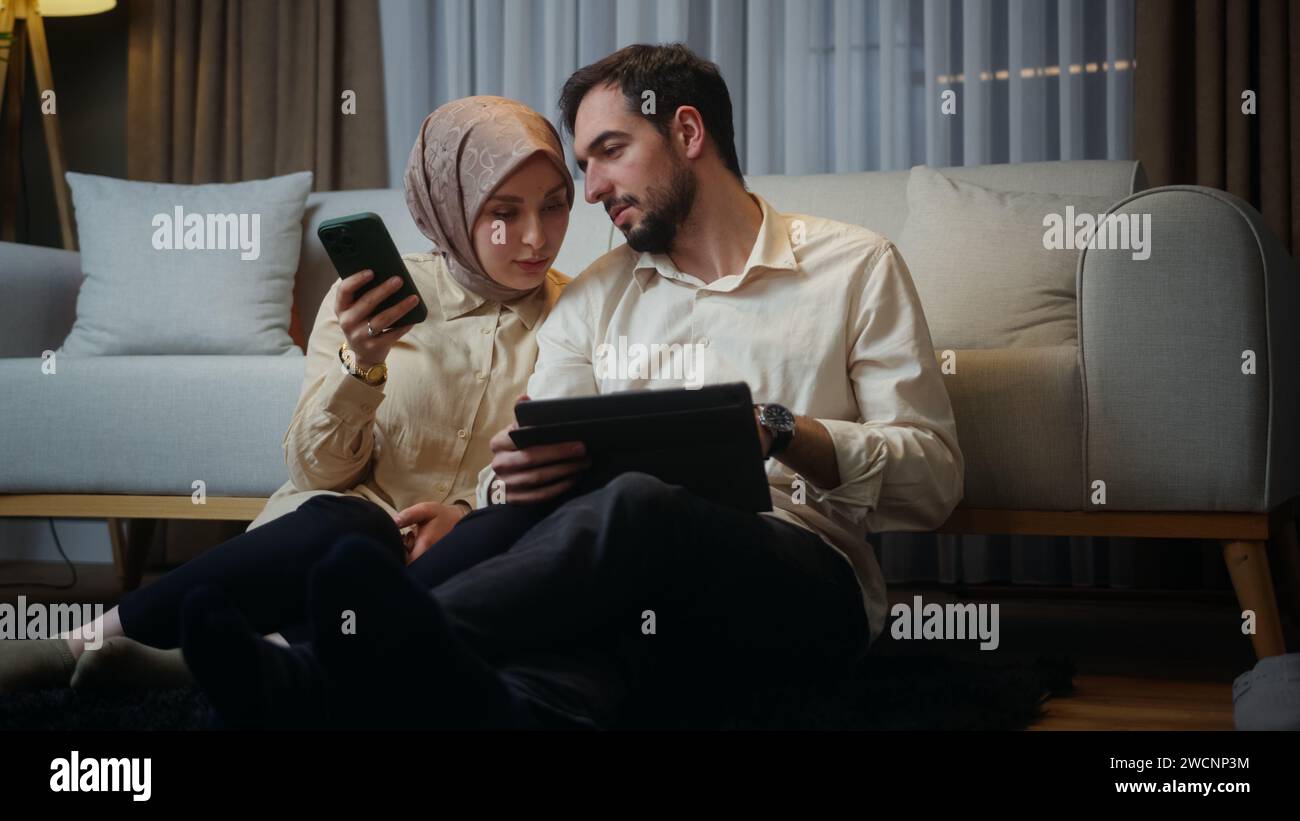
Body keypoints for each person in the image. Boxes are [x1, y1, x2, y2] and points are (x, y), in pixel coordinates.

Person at [181, 42, 967, 731]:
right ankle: (458, 699)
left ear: (687, 132)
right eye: (583, 164)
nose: (589, 190)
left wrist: (782, 429)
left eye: (609, 152)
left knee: (639, 502)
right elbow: (522, 460)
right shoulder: (591, 299)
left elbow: (933, 480)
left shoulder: (855, 267)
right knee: (565, 649)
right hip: (635, 585)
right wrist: (499, 487)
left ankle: (322, 663)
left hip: (799, 574)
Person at [0, 96, 578, 694]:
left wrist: (464, 515)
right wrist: (365, 363)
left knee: (474, 562)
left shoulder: (579, 315)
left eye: (555, 207)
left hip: (464, 556)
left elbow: (562, 470)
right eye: (504, 212)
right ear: (449, 206)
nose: (536, 237)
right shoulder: (367, 299)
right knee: (351, 527)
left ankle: (223, 662)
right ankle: (77, 644)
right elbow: (314, 470)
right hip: (331, 536)